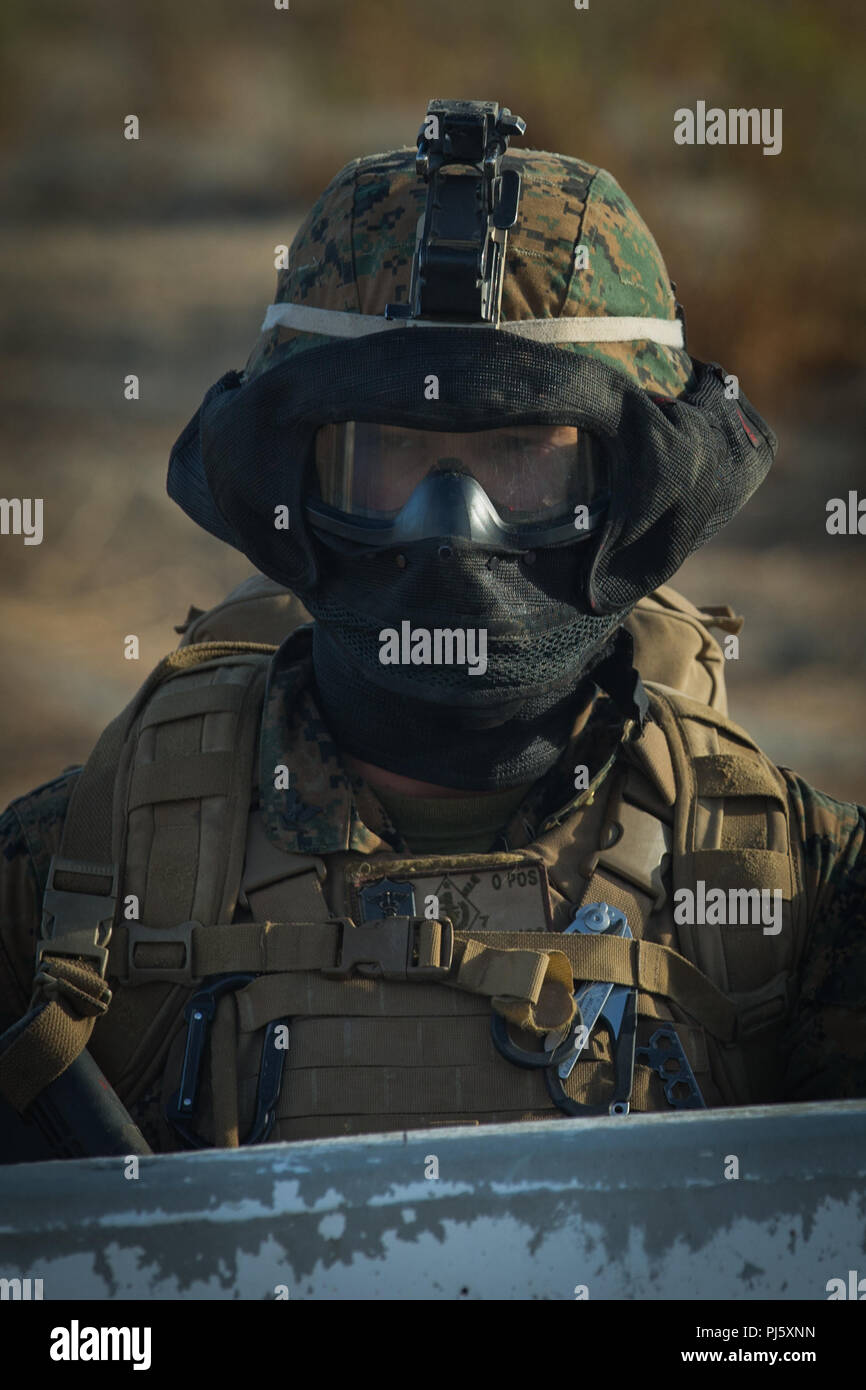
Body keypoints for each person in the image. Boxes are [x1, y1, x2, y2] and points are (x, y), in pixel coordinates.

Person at [0, 101, 863, 1156]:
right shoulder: (67, 881)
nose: (453, 529)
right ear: (289, 483)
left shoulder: (801, 895)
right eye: (392, 453)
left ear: (638, 495)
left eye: (522, 457)